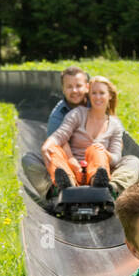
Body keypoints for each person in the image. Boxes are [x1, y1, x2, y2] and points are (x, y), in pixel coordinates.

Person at [41, 75, 139, 198]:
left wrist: (105, 153)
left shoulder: (115, 124)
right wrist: (46, 146)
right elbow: (60, 136)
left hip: (99, 168)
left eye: (101, 93)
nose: (97, 97)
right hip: (73, 170)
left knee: (131, 160)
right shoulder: (77, 114)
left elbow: (116, 158)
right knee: (53, 150)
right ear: (89, 95)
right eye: (94, 93)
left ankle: (108, 188)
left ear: (109, 96)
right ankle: (66, 186)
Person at [22, 66, 90, 199]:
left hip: (95, 161)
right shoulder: (58, 115)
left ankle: (112, 189)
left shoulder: (97, 105)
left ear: (87, 87)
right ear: (63, 89)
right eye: (69, 87)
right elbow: (56, 148)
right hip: (67, 164)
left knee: (132, 161)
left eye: (78, 86)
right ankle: (55, 191)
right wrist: (73, 165)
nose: (74, 91)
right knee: (29, 159)